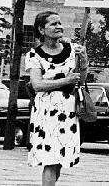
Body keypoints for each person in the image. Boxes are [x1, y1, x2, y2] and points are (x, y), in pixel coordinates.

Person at [26, 11, 88, 186]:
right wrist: (65, 80)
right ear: (41, 29)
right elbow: (37, 85)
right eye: (53, 24)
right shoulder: (34, 55)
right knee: (50, 160)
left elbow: (81, 80)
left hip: (68, 111)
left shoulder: (72, 50)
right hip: (46, 111)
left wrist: (83, 61)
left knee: (60, 160)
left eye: (59, 23)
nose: (59, 26)